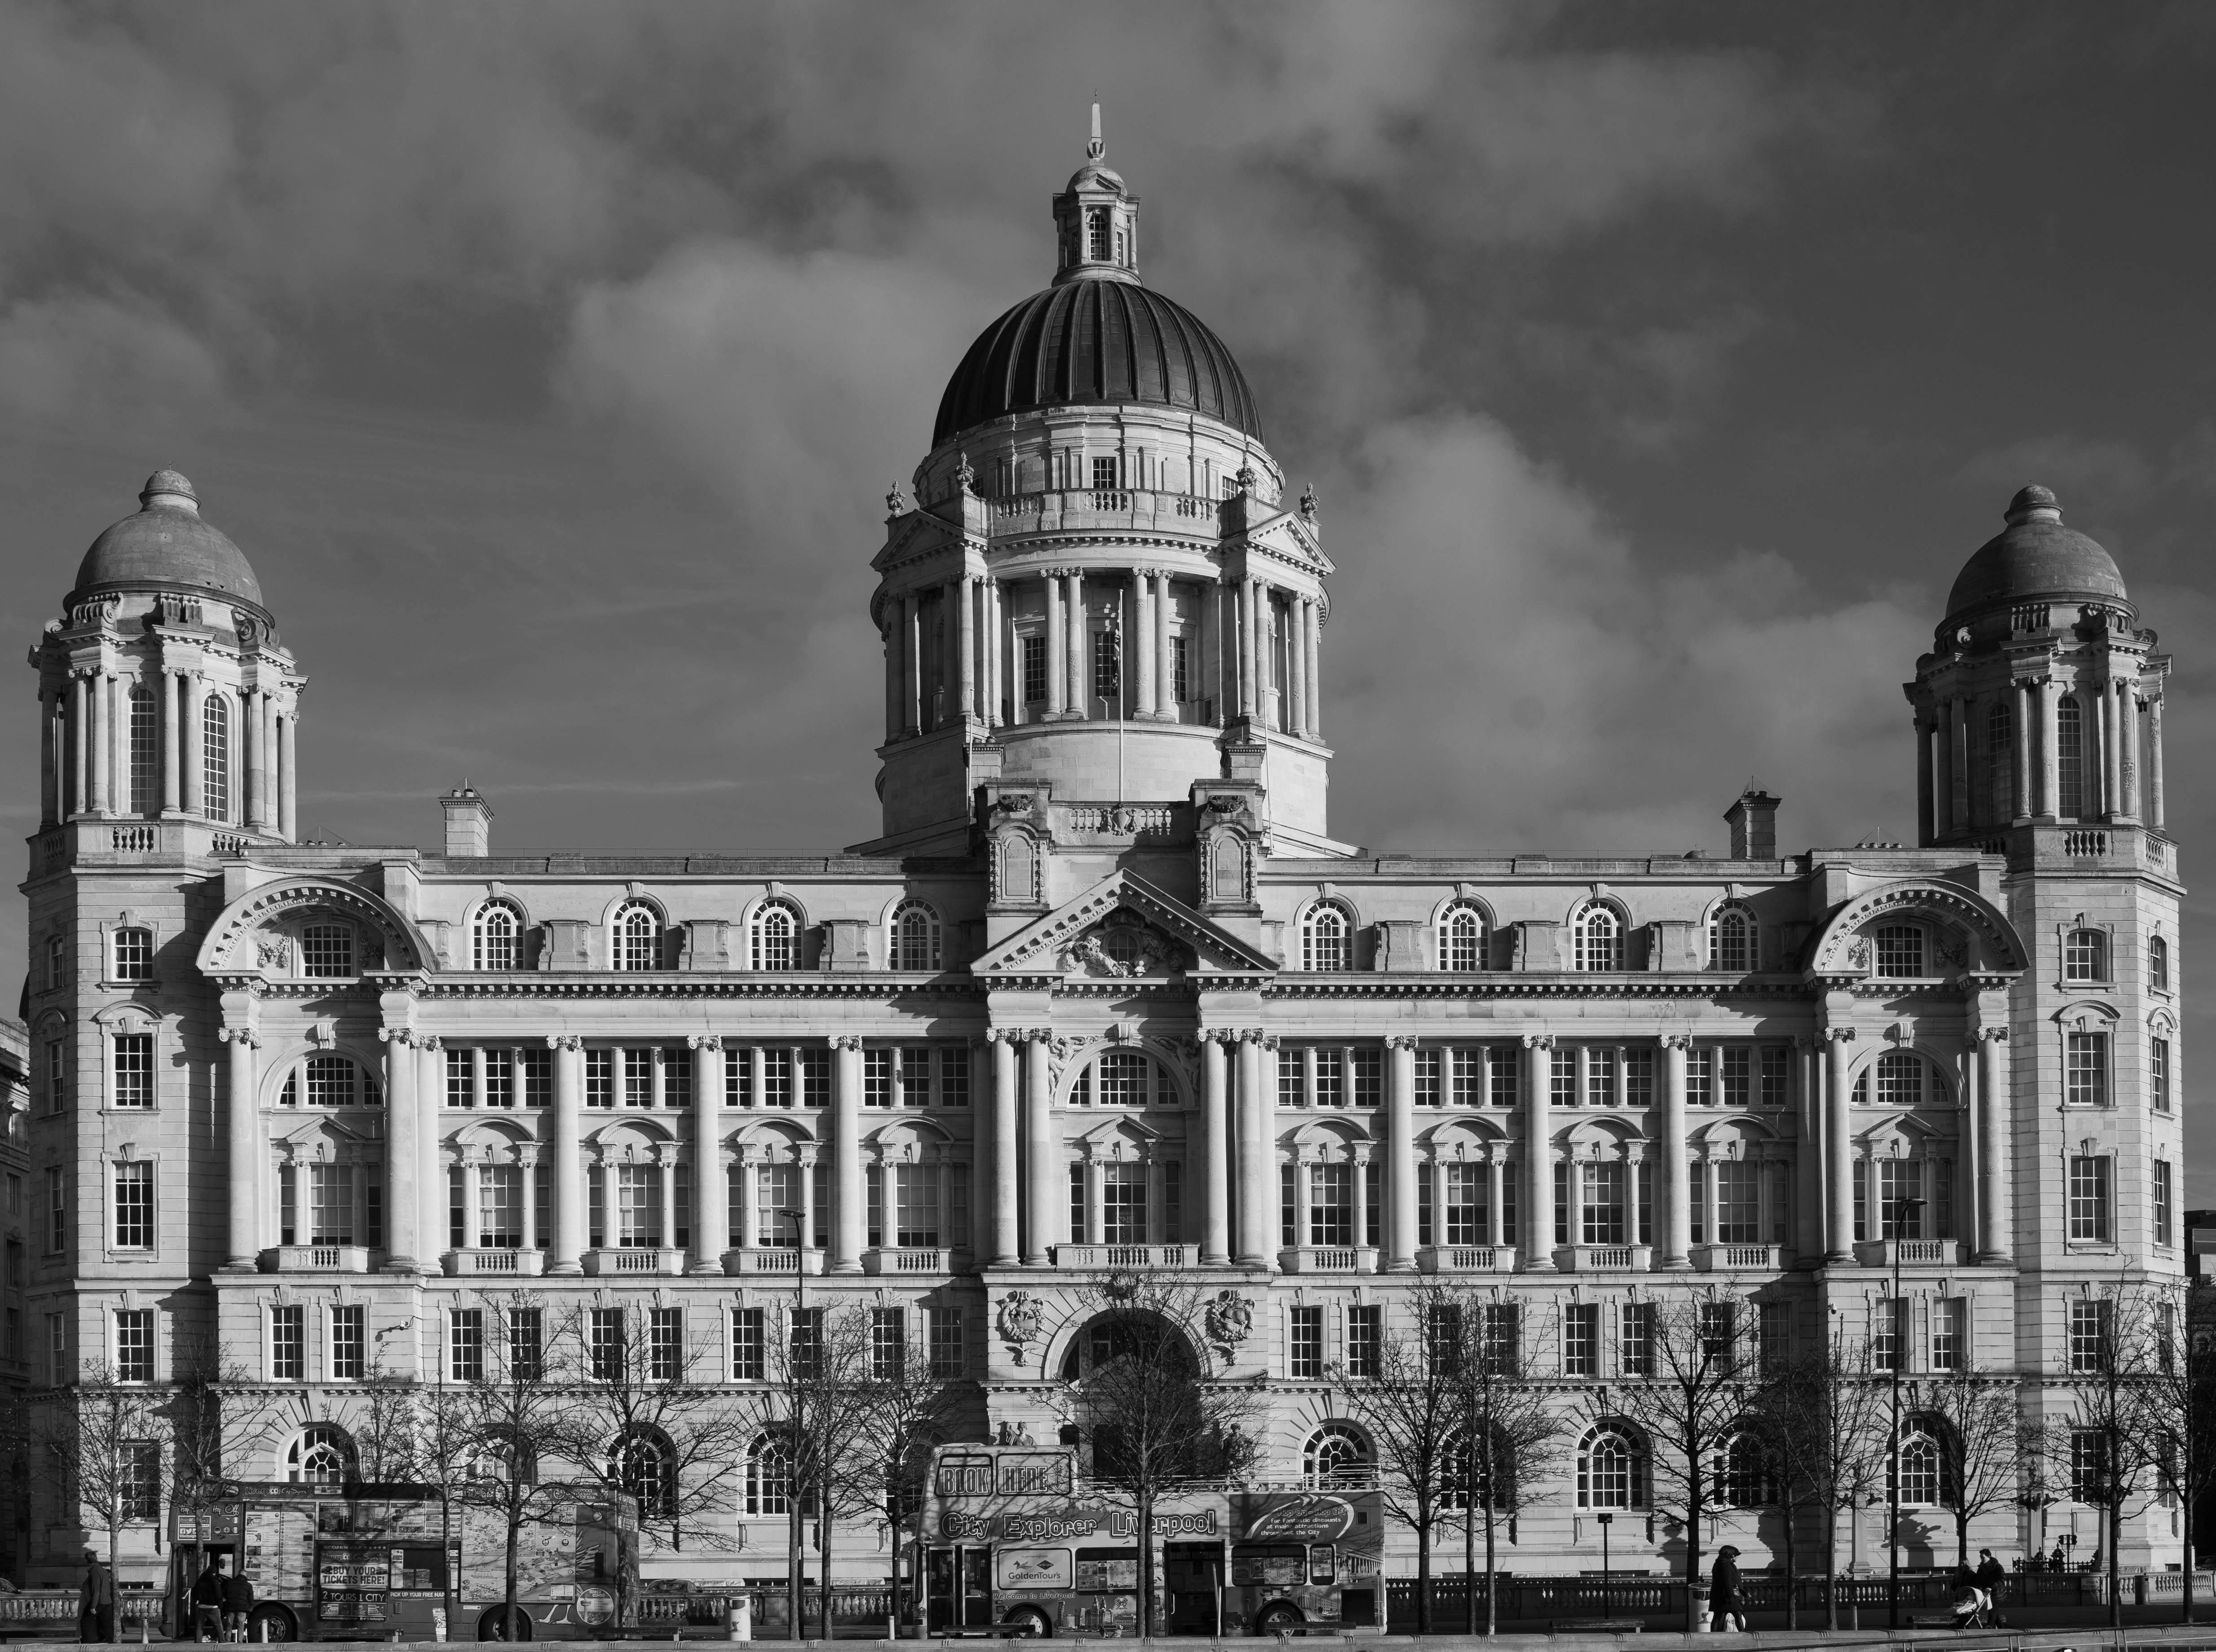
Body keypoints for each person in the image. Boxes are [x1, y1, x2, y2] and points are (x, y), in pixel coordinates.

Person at [78, 1551, 114, 1644]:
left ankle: (89, 1641)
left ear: (87, 1561)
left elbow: (96, 1590)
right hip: (107, 1601)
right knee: (107, 1623)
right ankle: (109, 1641)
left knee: (86, 1620)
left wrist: (93, 1606)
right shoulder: (103, 1570)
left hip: (99, 1601)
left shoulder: (94, 1572)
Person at [191, 1556, 227, 1643]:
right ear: (214, 1573)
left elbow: (195, 1591)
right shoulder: (215, 1581)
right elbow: (218, 1594)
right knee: (218, 1625)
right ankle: (222, 1641)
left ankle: (198, 1641)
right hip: (213, 1607)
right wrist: (220, 1606)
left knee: (200, 1626)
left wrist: (196, 1600)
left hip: (202, 1606)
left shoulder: (200, 1580)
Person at [1709, 1545, 1742, 1634]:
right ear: (1731, 1555)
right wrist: (1733, 1595)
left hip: (1720, 1594)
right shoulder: (1725, 1565)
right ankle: (1743, 1633)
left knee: (1718, 1615)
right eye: (1736, 1555)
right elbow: (1728, 1581)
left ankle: (1713, 1634)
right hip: (1727, 1595)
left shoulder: (1720, 1563)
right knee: (1738, 1614)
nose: (1737, 1557)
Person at [220, 1564, 255, 1643]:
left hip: (230, 1607)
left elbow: (224, 1593)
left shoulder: (230, 1583)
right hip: (242, 1609)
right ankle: (240, 1642)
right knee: (241, 1626)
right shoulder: (248, 1585)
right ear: (245, 1576)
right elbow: (251, 1598)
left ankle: (227, 1641)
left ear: (239, 1574)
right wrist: (251, 1607)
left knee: (229, 1626)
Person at [1975, 1550, 2007, 1625]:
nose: (1981, 1559)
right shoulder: (1981, 1568)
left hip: (1997, 1592)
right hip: (1987, 1592)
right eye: (1981, 1557)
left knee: (1992, 1610)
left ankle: (1990, 1626)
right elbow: (1979, 1580)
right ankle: (2000, 1627)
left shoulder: (1997, 1566)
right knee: (1995, 1611)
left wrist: (1992, 1587)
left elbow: (2002, 1579)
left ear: (1989, 1557)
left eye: (1983, 1557)